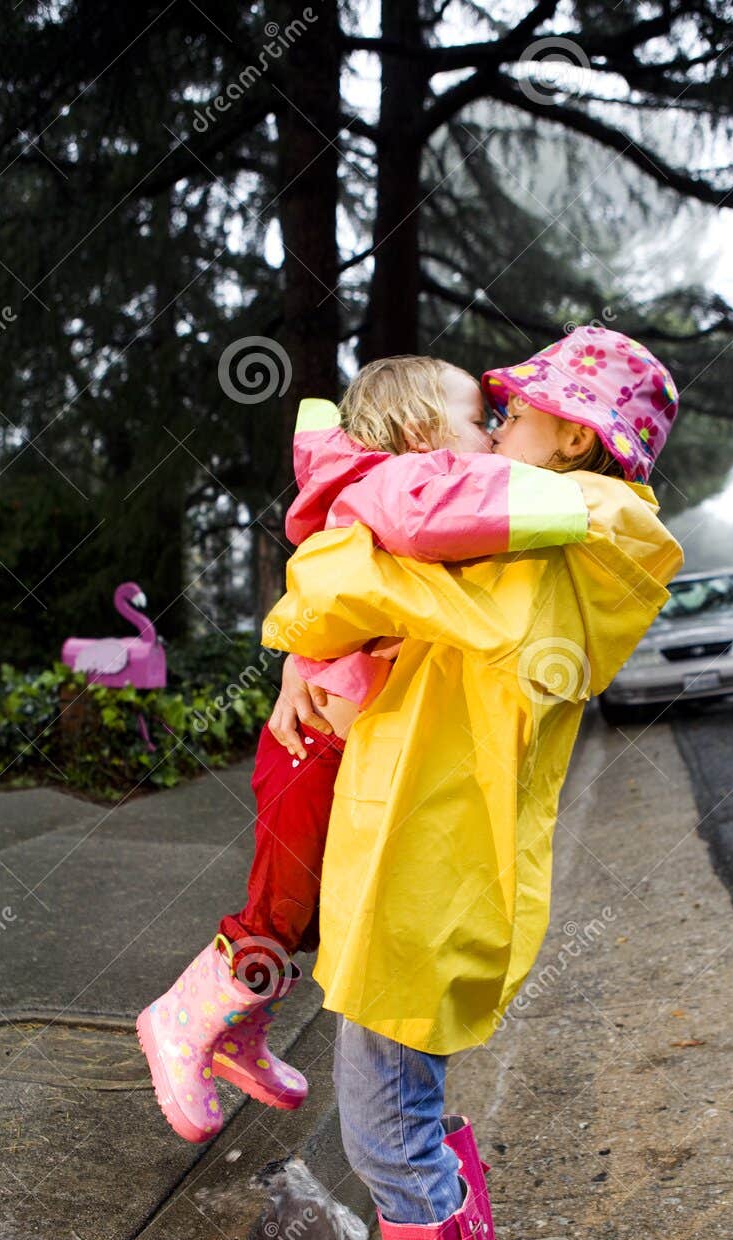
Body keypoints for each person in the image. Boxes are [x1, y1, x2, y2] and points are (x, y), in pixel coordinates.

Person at [261, 326, 684, 1240]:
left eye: (517, 411)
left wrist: (313, 611)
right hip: (407, 876)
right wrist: (323, 641)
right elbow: (392, 598)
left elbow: (368, 571)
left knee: (383, 1133)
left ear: (576, 436)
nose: (492, 427)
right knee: (406, 1118)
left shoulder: (580, 538)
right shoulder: (530, 537)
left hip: (436, 892)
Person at [135, 355, 597, 1141]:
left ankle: (241, 1032)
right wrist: (570, 503)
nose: (488, 434)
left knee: (312, 909)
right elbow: (412, 548)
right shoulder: (403, 486)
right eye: (477, 418)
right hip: (310, 737)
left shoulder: (404, 483)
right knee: (279, 910)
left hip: (335, 730)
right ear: (421, 432)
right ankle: (180, 1019)